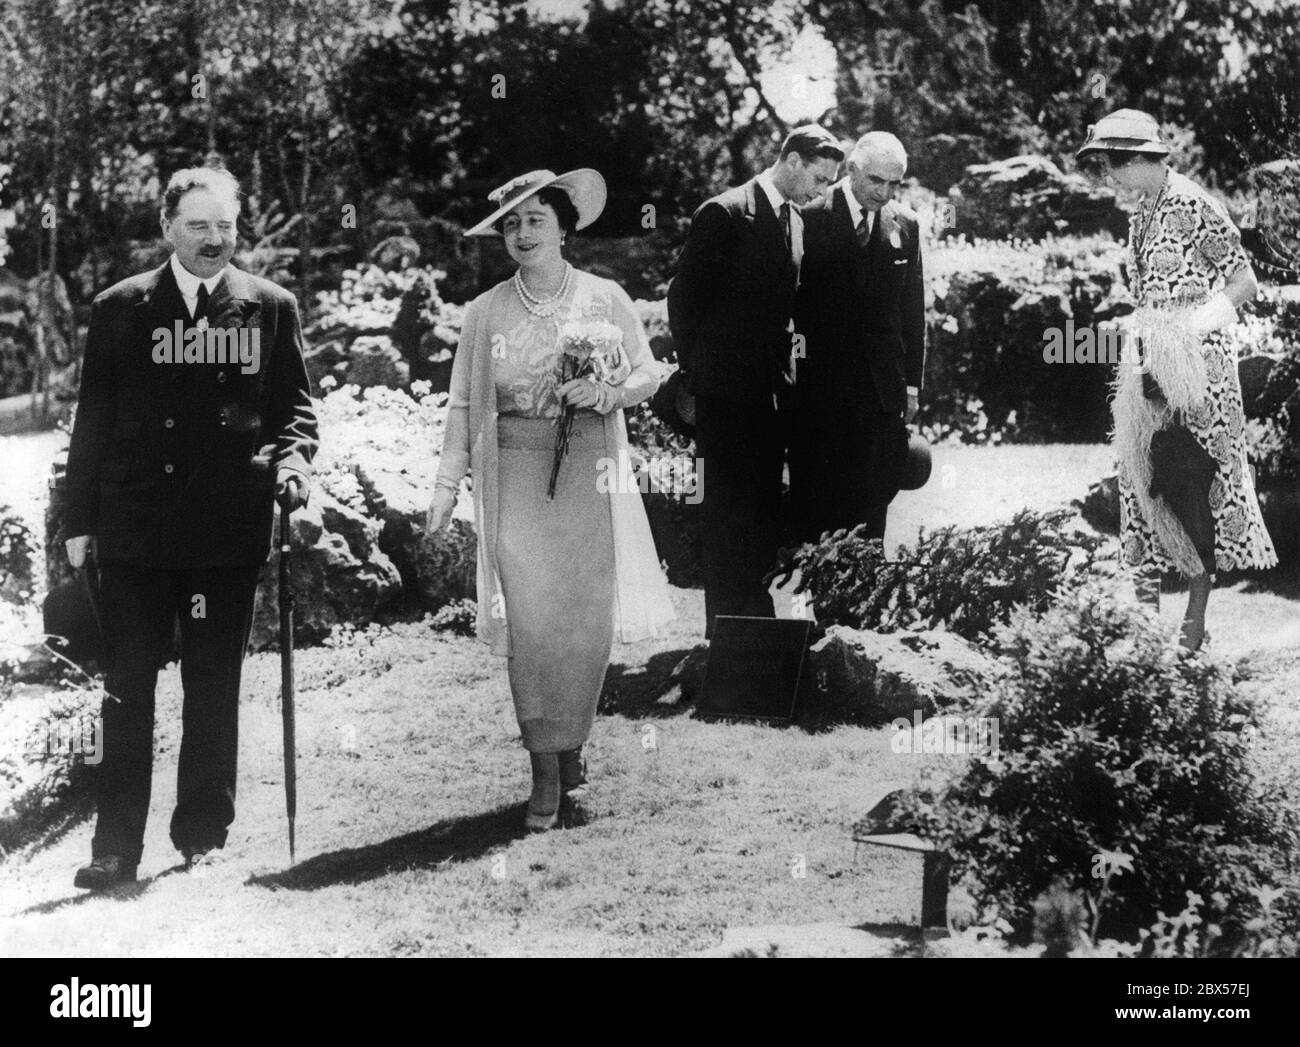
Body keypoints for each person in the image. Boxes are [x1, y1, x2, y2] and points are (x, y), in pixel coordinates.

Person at [64, 166, 318, 889]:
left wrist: (294, 464)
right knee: (127, 689)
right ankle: (114, 846)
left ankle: (203, 830)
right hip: (137, 533)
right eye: (198, 225)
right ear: (168, 228)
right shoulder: (120, 308)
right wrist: (79, 519)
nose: (214, 239)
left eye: (226, 225)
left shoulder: (269, 307)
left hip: (222, 534)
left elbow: (293, 410)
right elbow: (94, 420)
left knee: (213, 685)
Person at [426, 169, 674, 831]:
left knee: (583, 619)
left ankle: (572, 742)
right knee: (532, 620)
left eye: (536, 218)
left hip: (589, 468)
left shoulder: (604, 297)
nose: (523, 232)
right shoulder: (484, 313)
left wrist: (610, 393)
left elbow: (650, 370)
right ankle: (544, 764)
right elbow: (460, 404)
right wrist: (447, 487)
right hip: (515, 474)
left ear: (564, 226)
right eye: (511, 223)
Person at [1077, 108, 1276, 650]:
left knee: (1192, 482)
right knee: (1140, 481)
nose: (1110, 175)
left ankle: (1194, 625)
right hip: (1147, 363)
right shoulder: (1140, 213)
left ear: (1145, 158)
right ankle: (1142, 630)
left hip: (1197, 370)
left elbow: (1244, 282)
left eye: (1115, 162)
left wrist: (1186, 332)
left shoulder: (1192, 202)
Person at [667, 125, 843, 637]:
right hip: (723, 398)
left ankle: (757, 634)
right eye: (817, 177)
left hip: (770, 401)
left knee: (761, 517)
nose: (821, 190)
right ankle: (726, 643)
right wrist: (697, 380)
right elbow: (683, 300)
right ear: (790, 161)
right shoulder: (724, 212)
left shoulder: (795, 222)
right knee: (725, 519)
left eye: (829, 182)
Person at [790, 131, 926, 544]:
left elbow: (912, 313)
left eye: (894, 184)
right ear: (850, 171)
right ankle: (827, 606)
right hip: (820, 398)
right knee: (824, 519)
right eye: (875, 181)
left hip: (881, 400)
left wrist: (912, 386)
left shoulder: (906, 224)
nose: (884, 193)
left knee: (872, 518)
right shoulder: (807, 217)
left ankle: (863, 605)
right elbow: (786, 307)